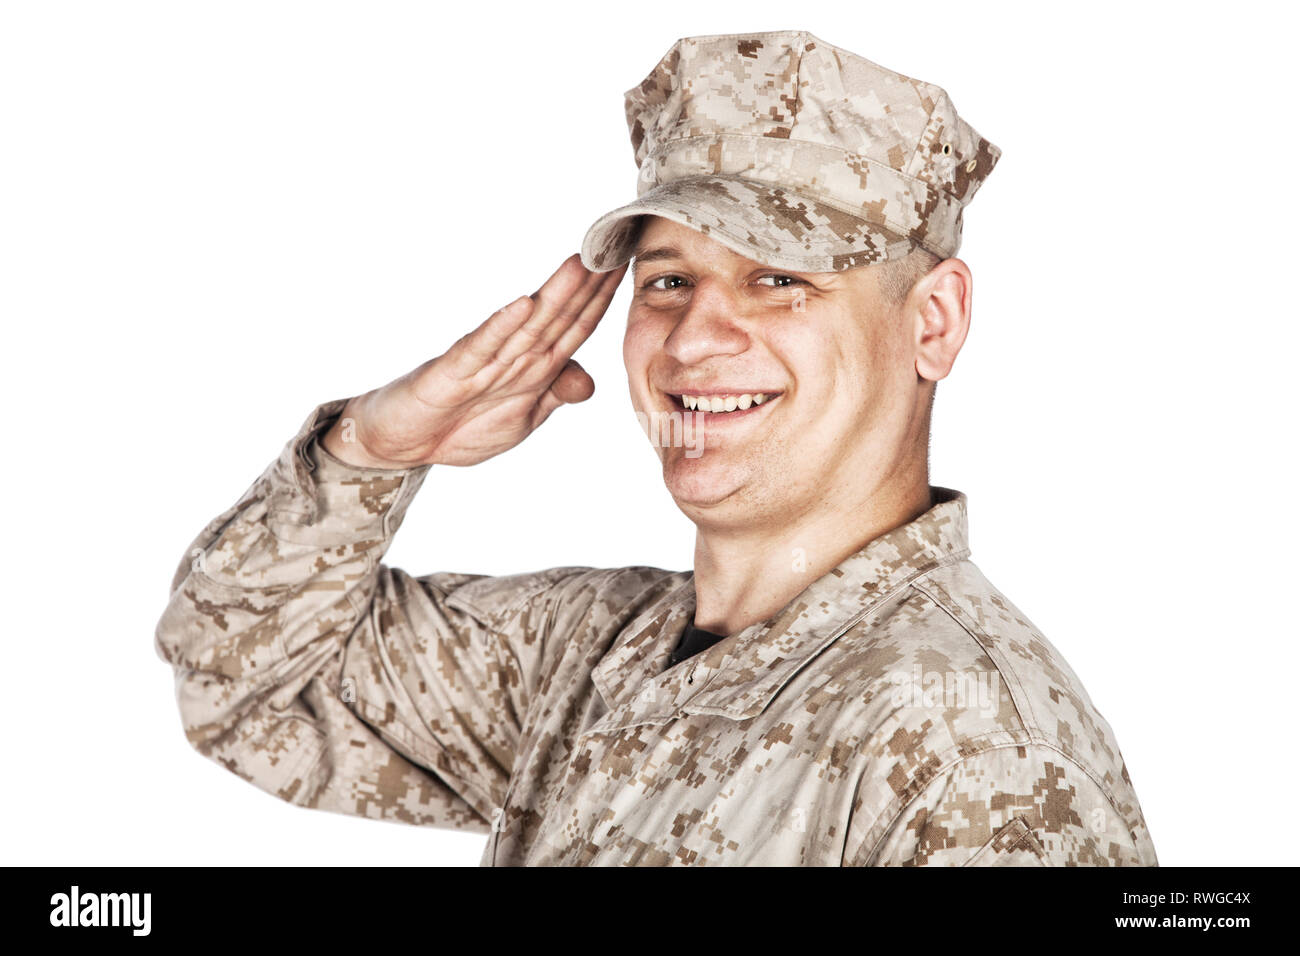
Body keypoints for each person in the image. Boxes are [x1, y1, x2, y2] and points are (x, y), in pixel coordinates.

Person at [155, 30, 1158, 866]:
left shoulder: (974, 753)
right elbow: (241, 682)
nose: (691, 338)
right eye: (668, 279)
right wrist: (367, 453)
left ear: (931, 322)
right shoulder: (595, 651)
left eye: (778, 278)